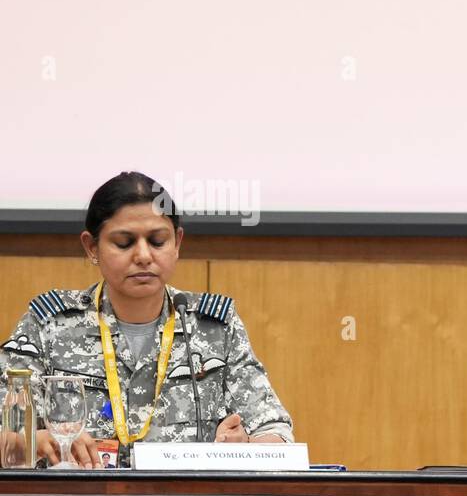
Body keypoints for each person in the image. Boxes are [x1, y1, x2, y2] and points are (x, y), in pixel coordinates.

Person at [0, 171, 293, 468]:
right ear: (92, 247)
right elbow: (4, 434)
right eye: (124, 243)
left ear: (177, 242)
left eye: (157, 241)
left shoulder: (215, 327)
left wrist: (245, 448)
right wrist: (34, 441)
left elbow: (277, 434)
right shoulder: (49, 324)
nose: (143, 255)